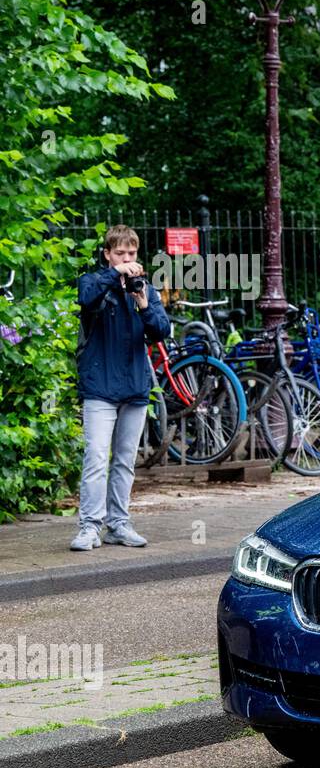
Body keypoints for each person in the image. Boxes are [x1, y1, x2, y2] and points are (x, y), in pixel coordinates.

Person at [70, 225, 171, 551]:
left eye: (131, 253)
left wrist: (144, 303)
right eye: (120, 253)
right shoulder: (95, 282)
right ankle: (89, 527)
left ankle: (118, 524)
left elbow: (160, 332)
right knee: (97, 458)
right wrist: (116, 276)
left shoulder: (145, 289)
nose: (127, 259)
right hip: (99, 387)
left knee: (125, 461)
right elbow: (86, 298)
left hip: (134, 387)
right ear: (108, 255)